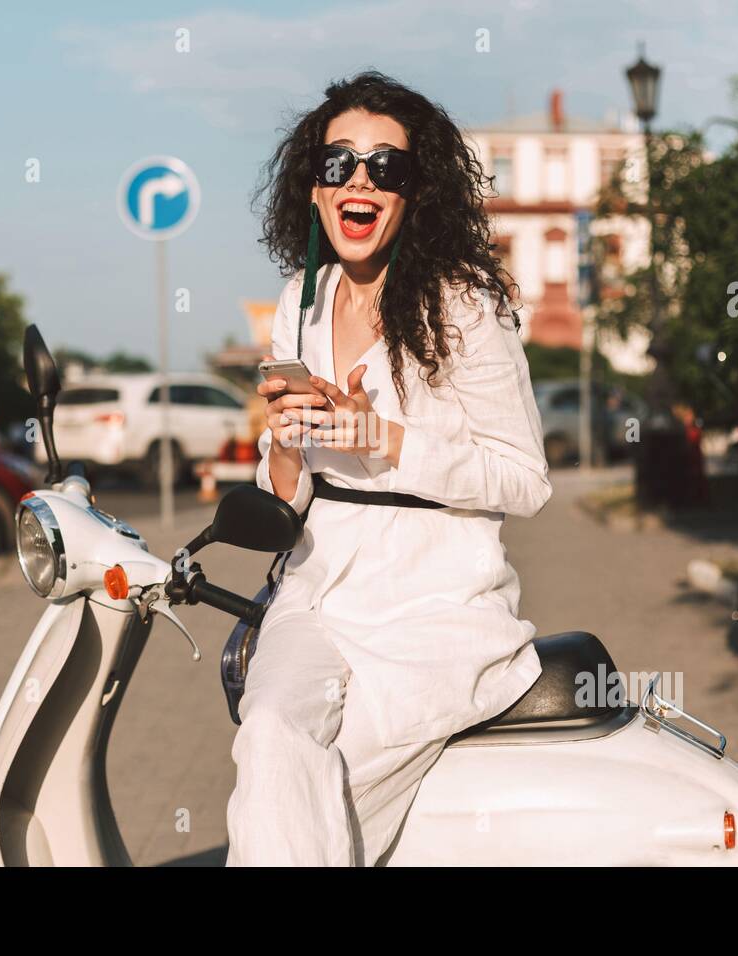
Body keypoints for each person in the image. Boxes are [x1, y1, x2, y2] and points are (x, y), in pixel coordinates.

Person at [227, 71, 552, 866]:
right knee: (269, 737)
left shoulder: (462, 305)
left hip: (433, 607)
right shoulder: (297, 303)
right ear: (313, 190)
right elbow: (293, 493)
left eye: (387, 167)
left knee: (318, 800)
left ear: (415, 194)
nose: (360, 180)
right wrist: (285, 441)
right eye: (339, 164)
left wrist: (386, 436)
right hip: (315, 595)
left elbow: (525, 479)